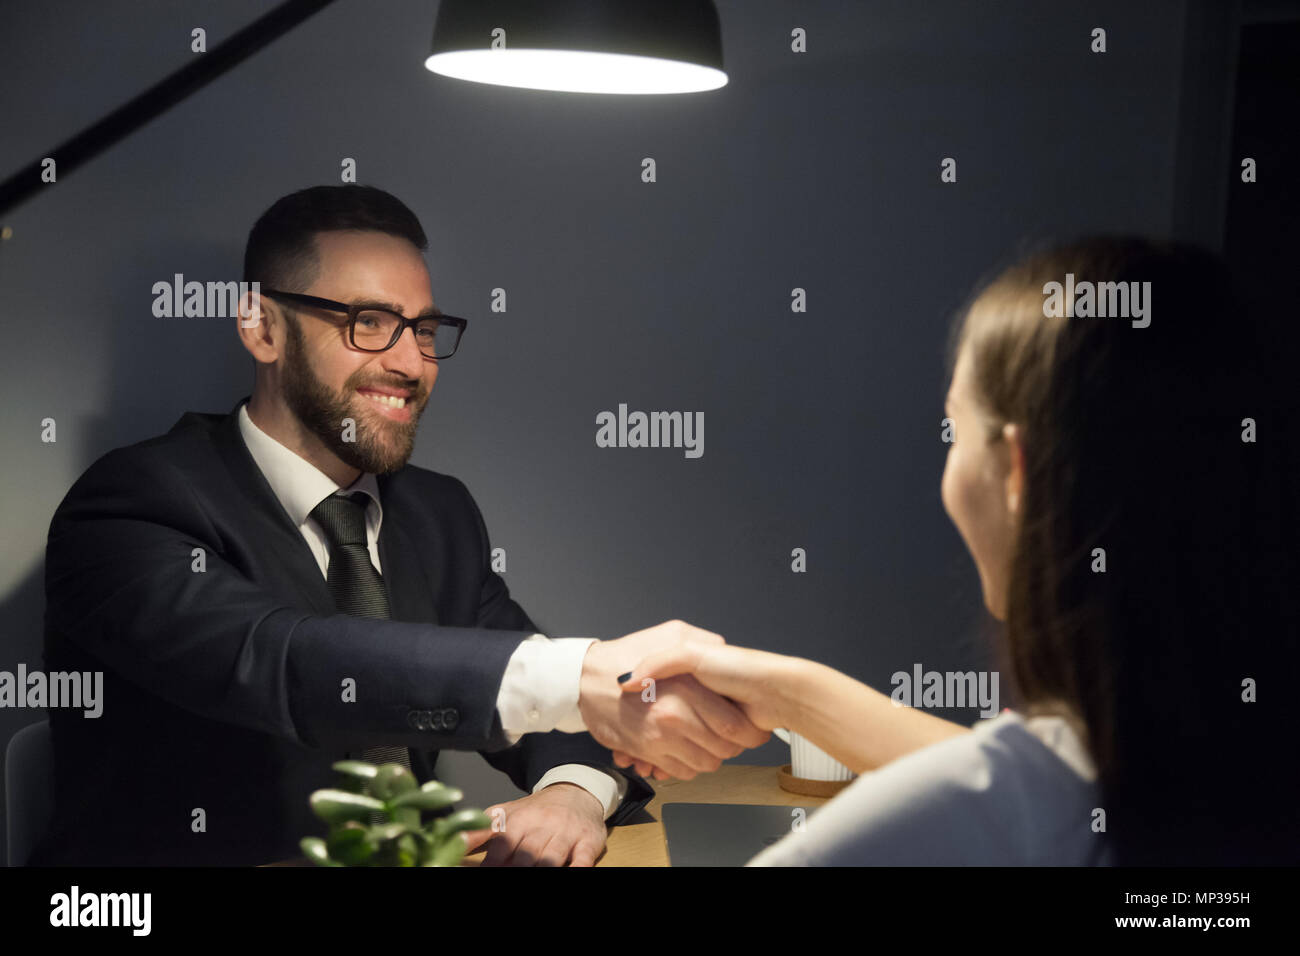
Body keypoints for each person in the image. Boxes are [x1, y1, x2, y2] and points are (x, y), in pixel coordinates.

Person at [30, 184, 767, 867]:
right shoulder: (133, 503)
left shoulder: (436, 514)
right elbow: (282, 661)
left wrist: (569, 795)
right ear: (261, 328)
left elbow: (544, 707)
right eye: (369, 322)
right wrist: (578, 675)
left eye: (425, 328)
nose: (411, 362)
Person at [616, 237, 1299, 865]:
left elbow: (996, 788)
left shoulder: (966, 820)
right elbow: (1018, 768)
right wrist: (790, 694)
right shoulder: (1221, 761)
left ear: (1018, 471)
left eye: (954, 430)